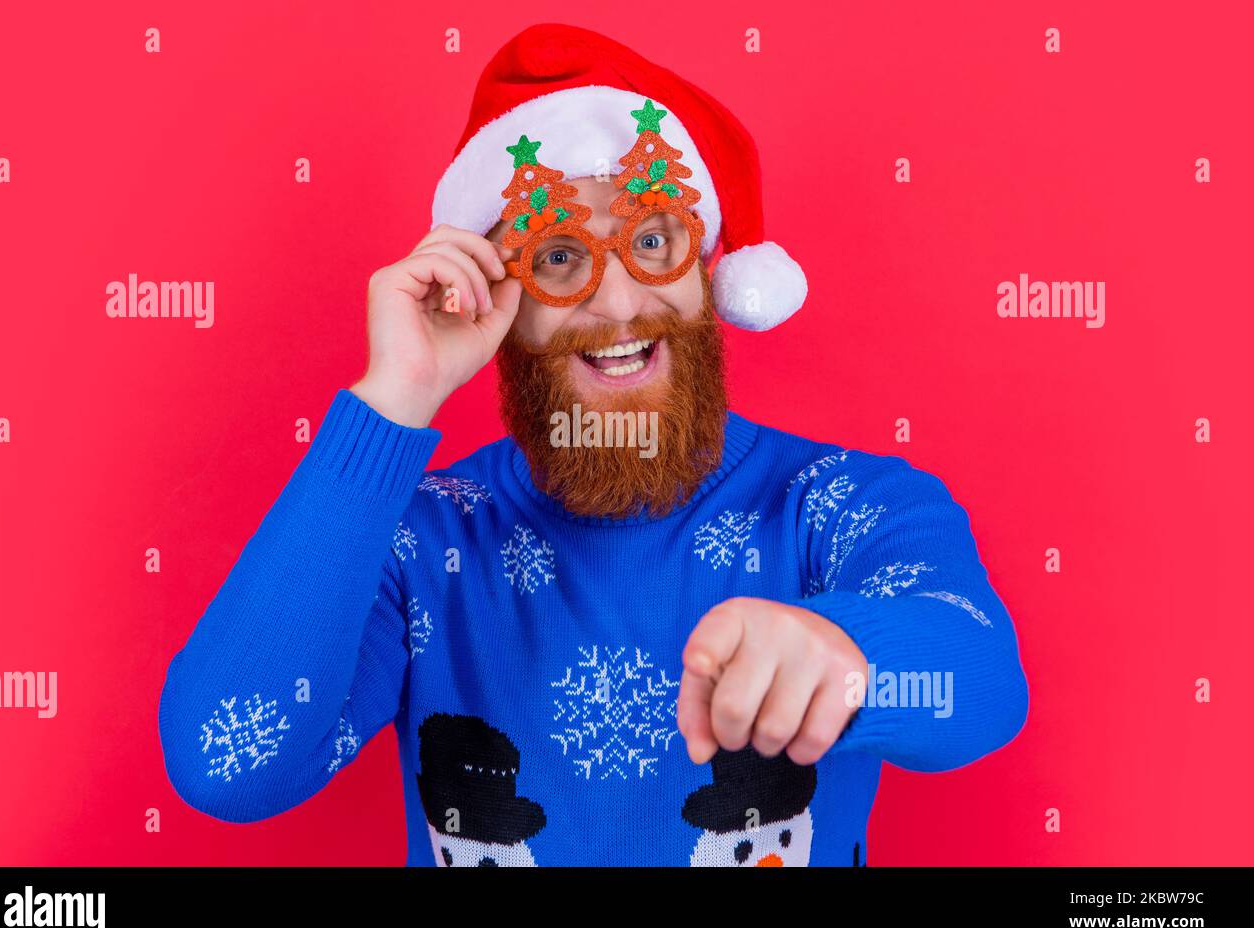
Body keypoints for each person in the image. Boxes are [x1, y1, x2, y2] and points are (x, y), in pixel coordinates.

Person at [157, 24, 1028, 867]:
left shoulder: (842, 506)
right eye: (560, 256)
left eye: (654, 242)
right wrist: (394, 400)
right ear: (496, 295)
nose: (615, 306)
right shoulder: (422, 545)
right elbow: (225, 763)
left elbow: (979, 686)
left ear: (708, 274)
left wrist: (848, 657)